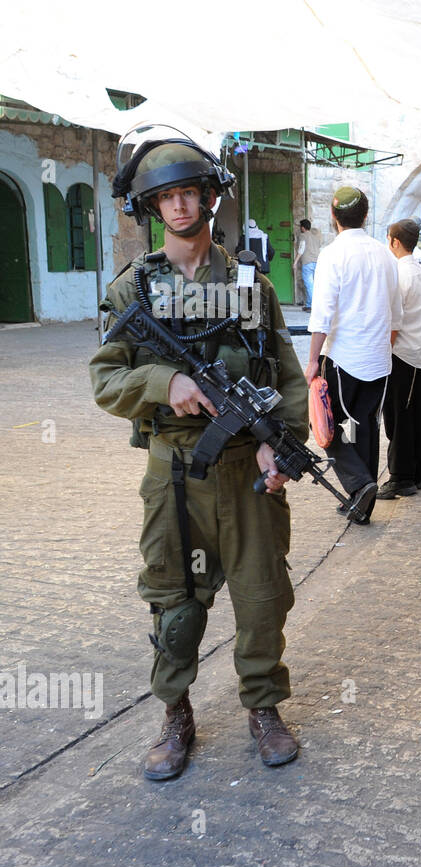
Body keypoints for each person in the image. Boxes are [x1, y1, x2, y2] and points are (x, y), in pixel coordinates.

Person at [90, 135, 305, 779]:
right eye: (166, 197)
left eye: (189, 193)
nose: (180, 206)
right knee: (175, 599)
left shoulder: (250, 285)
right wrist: (166, 384)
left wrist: (279, 443)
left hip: (246, 473)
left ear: (210, 199)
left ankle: (264, 709)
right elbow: (105, 381)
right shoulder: (132, 289)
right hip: (176, 477)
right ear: (153, 208)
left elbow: (288, 377)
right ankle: (176, 713)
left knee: (263, 596)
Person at [305, 186, 399, 525]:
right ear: (366, 215)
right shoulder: (385, 254)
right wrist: (382, 347)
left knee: (324, 423)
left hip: (345, 357)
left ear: (333, 217)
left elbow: (322, 313)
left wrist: (314, 360)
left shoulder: (333, 253)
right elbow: (396, 313)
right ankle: (361, 501)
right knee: (365, 426)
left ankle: (359, 486)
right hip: (379, 357)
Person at [379, 218, 421, 499]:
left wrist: (383, 351)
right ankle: (416, 472)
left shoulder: (401, 273)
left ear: (394, 242)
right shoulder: (419, 270)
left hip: (402, 352)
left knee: (399, 417)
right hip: (418, 351)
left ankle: (401, 476)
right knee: (414, 415)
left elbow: (394, 320)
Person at [294, 218, 323, 309]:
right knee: (314, 285)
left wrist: (295, 262)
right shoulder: (316, 237)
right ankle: (308, 304)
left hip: (308, 262)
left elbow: (301, 249)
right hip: (317, 262)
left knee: (309, 285)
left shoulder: (303, 236)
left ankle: (312, 306)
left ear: (303, 228)